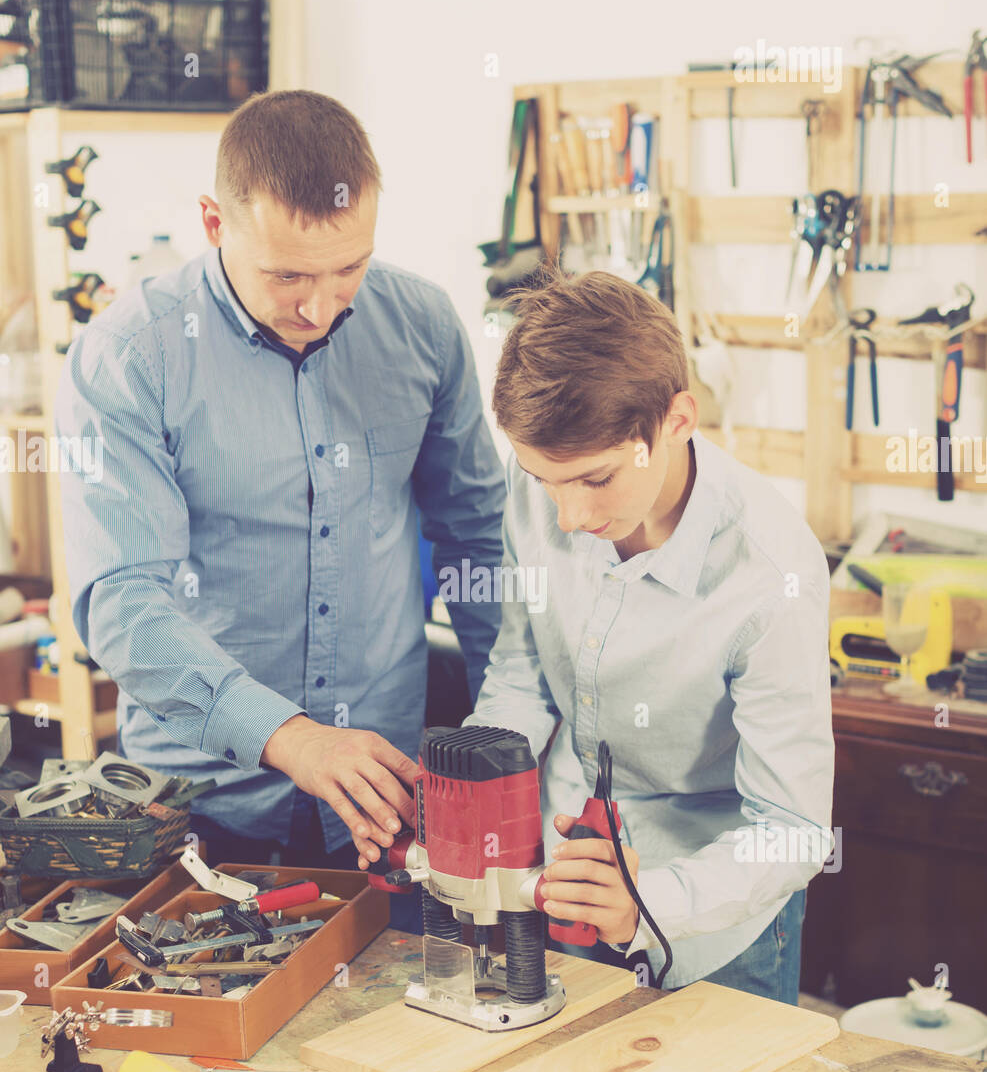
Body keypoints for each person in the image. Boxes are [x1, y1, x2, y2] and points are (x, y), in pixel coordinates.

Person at [55, 91, 506, 903]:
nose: (320, 306)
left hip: (385, 802)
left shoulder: (423, 327)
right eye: (287, 274)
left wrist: (510, 725)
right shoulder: (128, 357)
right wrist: (288, 737)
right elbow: (121, 599)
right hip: (199, 808)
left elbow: (477, 536)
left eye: (348, 269)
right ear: (213, 222)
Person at [367, 268, 834, 1004]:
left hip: (713, 924)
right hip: (554, 887)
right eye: (544, 480)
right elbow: (522, 672)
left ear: (676, 421)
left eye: (595, 480)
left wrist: (651, 904)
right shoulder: (548, 483)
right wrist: (457, 800)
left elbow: (794, 830)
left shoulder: (771, 576)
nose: (567, 519)